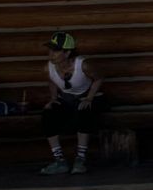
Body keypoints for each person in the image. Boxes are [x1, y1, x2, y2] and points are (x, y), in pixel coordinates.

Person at [41, 31, 107, 176]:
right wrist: (53, 98)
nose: (51, 54)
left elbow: (99, 78)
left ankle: (80, 159)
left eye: (56, 50)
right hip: (68, 99)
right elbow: (51, 80)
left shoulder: (83, 65)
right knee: (48, 114)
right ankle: (59, 161)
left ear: (67, 53)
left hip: (89, 97)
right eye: (50, 50)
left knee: (84, 111)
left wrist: (89, 98)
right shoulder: (49, 67)